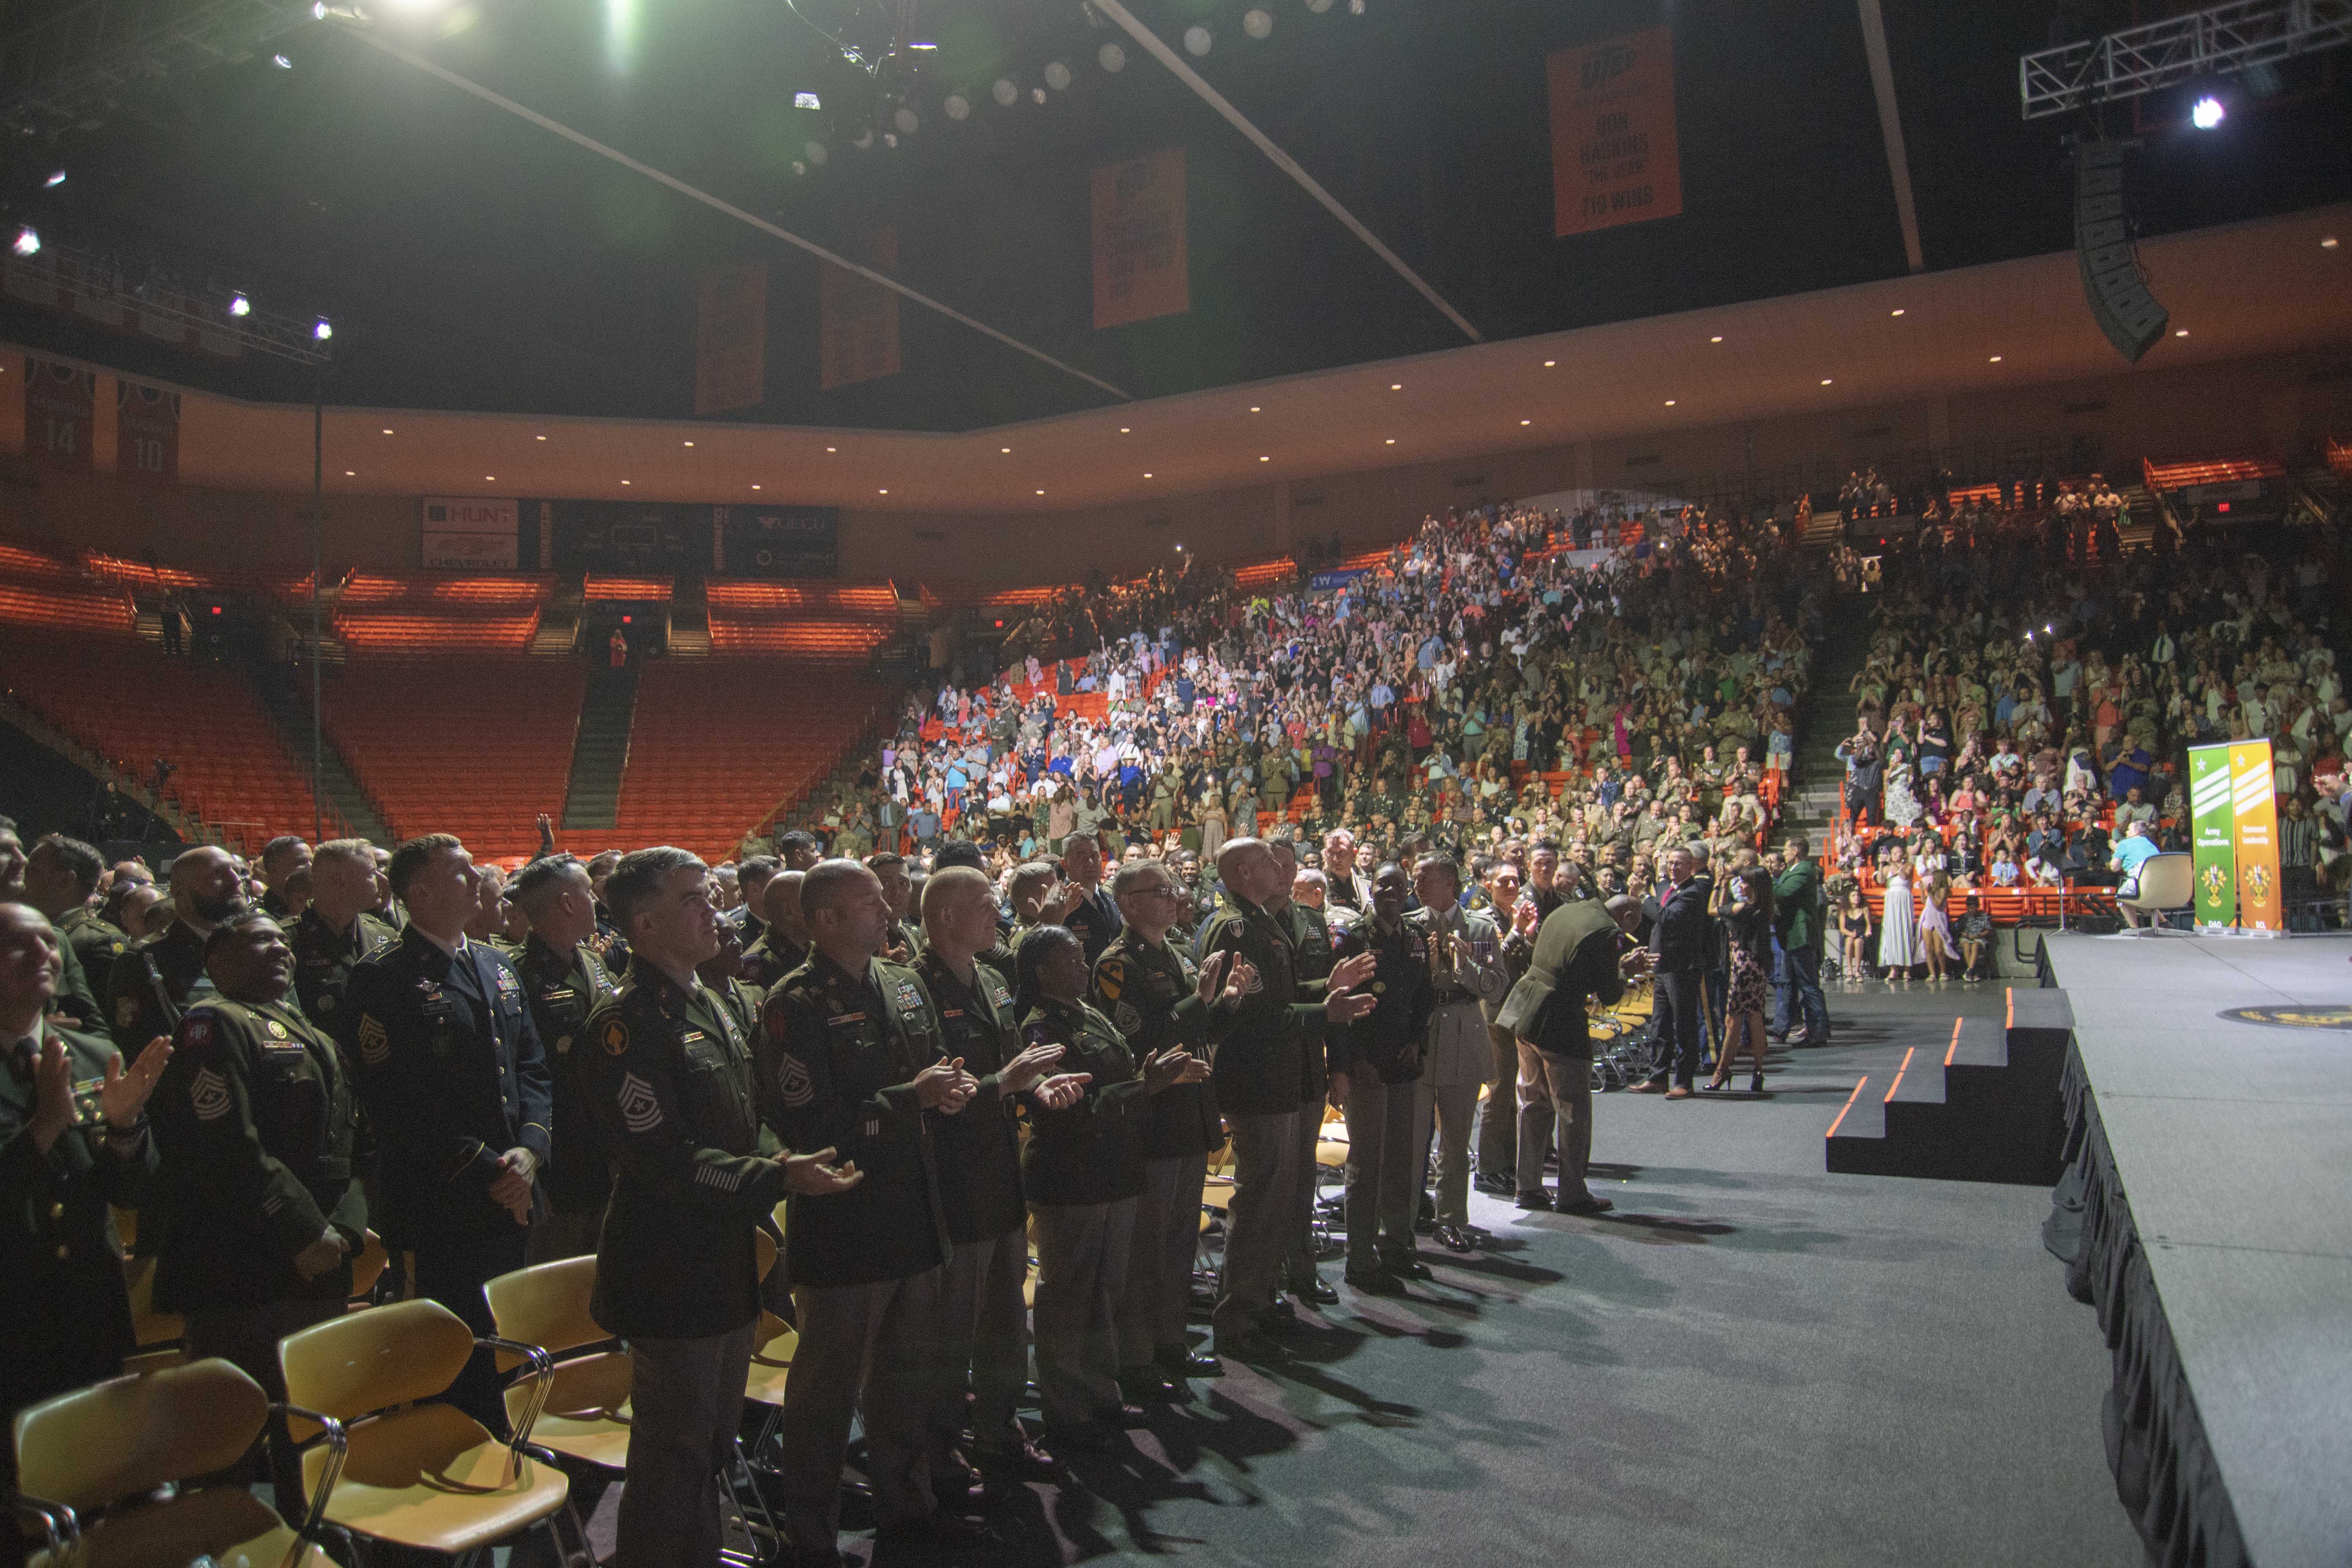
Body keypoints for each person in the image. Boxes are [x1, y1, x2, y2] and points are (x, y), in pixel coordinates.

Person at [583, 847, 861, 1568]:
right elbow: (661, 1158)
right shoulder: (625, 1023)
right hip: (668, 1262)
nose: (717, 912)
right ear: (645, 924)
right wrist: (775, 1176)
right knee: (673, 1452)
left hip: (726, 1252)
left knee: (708, 1444)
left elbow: (751, 1115)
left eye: (710, 895)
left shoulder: (713, 999)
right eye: (692, 900)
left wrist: (780, 1160)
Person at [757, 859, 982, 1557]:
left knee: (904, 1380)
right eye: (870, 902)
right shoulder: (795, 1002)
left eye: (886, 899)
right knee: (827, 1396)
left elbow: (937, 1064)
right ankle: (810, 1537)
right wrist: (911, 1098)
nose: (889, 910)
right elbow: (806, 1121)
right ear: (825, 920)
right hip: (845, 1215)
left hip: (912, 1204)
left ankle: (906, 1505)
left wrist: (950, 1090)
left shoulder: (902, 982)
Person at [150, 910, 365, 1512]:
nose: (279, 949)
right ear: (217, 962)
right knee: (229, 1435)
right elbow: (225, 1144)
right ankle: (220, 1540)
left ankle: (311, 1530)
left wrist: (343, 1229)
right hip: (243, 1265)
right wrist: (304, 1230)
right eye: (259, 940)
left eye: (282, 940)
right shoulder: (212, 1023)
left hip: (318, 1259)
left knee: (309, 1421)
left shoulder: (307, 1029)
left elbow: (347, 1143)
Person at [340, 833, 552, 1429]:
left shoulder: (496, 964)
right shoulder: (384, 976)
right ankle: (457, 1451)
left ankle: (507, 1447)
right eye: (462, 873)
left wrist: (531, 1150)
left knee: (508, 1338)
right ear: (420, 893)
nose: (480, 881)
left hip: (513, 1188)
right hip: (442, 1197)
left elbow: (532, 1067)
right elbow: (396, 1100)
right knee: (450, 1351)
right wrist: (495, 1167)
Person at [914, 866, 1080, 1485]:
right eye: (985, 905)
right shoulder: (914, 989)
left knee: (1006, 1316)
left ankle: (1000, 1426)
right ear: (947, 917)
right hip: (952, 1175)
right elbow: (935, 1089)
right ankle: (943, 1450)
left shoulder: (990, 979)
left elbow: (1010, 1065)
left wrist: (1036, 1086)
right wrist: (1003, 1085)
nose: (998, 915)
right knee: (952, 1327)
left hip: (999, 1170)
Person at [0, 901, 169, 1497]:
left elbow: (132, 1190)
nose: (44, 955)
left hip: (89, 1303)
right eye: (19, 944)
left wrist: (125, 1129)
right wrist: (44, 1126)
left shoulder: (95, 1055)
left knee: (104, 1483)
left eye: (50, 943)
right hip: (12, 1311)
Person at [1016, 924, 1208, 1445]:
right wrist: (1146, 1086)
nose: (1085, 966)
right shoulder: (1040, 1031)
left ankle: (1102, 1390)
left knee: (1106, 1290)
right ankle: (1065, 1406)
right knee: (1069, 1294)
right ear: (1043, 971)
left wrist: (1149, 1076)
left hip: (1114, 1168)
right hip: (1072, 1174)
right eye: (1073, 959)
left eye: (1084, 957)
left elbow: (1117, 1077)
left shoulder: (1089, 1013)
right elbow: (1073, 1111)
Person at [1195, 838, 1374, 1361]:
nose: (1282, 868)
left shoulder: (1261, 921)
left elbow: (1280, 996)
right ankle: (1238, 1319)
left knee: (1274, 1202)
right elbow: (1251, 1016)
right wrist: (1324, 1011)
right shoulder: (1235, 928)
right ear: (1245, 872)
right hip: (1257, 1081)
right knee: (1258, 1204)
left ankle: (1258, 1300)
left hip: (1280, 1078)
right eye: (1269, 862)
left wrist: (1323, 987)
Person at [1094, 860, 1244, 1393]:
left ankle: (1170, 1342)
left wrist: (1228, 1002)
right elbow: (1139, 1040)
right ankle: (1137, 1356)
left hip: (1190, 1112)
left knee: (1180, 1241)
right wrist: (1199, 1000)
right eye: (1159, 890)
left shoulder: (1176, 953)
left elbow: (1200, 1031)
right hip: (1155, 1117)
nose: (1172, 897)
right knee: (1149, 1246)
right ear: (1129, 903)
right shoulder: (1117, 963)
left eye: (1171, 888)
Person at [1500, 893, 1647, 1212]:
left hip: (1527, 1010)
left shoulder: (1568, 910)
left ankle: (1527, 1187)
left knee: (1533, 1103)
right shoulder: (1607, 931)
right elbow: (1610, 994)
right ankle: (1572, 1193)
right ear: (1628, 917)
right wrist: (1625, 970)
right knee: (1572, 1111)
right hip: (1560, 1021)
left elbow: (1569, 964)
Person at [508, 853, 622, 1262]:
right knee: (560, 1272)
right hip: (561, 1156)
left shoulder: (592, 962)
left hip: (606, 1144)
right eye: (589, 893)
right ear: (567, 903)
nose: (597, 901)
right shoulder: (517, 973)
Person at [1326, 864, 1435, 1290]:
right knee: (1367, 1163)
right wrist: (1350, 1062)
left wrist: (1418, 1042)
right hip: (1366, 1066)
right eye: (1383, 884)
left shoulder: (1416, 937)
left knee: (1403, 1158)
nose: (1391, 891)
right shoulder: (1353, 937)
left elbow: (1424, 996)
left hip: (1403, 1063)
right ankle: (1361, 1257)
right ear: (1371, 889)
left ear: (1408, 891)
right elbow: (1340, 1005)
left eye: (1399, 885)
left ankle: (1398, 1245)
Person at [1407, 853, 1508, 1253]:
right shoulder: (1410, 927)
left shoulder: (1480, 928)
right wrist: (1427, 967)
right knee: (1412, 1139)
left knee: (1455, 1140)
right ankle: (1403, 1220)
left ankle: (1450, 1219)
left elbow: (1496, 988)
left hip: (1464, 1034)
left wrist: (1465, 966)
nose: (1416, 885)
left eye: (1424, 878)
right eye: (1415, 878)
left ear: (1449, 883)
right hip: (1420, 1035)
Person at [106, 844, 244, 1052]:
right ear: (179, 891)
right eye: (217, 874)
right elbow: (137, 1047)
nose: (236, 880)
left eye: (237, 871)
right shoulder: (145, 961)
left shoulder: (256, 947)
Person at [289, 839, 398, 1026]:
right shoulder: (288, 941)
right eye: (372, 873)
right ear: (340, 882)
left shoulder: (385, 934)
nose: (383, 880)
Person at [1633, 847, 1712, 1098]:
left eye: (1680, 864)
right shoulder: (1669, 887)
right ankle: (1658, 1077)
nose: (1674, 868)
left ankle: (1684, 1082)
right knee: (1660, 1025)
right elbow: (1660, 892)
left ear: (1691, 867)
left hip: (1682, 967)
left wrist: (1644, 896)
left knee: (1684, 1026)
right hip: (1663, 966)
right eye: (1671, 863)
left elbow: (1666, 917)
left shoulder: (1693, 893)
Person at [1704, 868, 1773, 1095]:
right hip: (1757, 967)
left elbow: (1713, 910)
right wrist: (1725, 887)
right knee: (1756, 1019)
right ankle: (1758, 1072)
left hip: (1743, 968)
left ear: (1754, 887)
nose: (1741, 886)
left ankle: (1721, 1071)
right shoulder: (1763, 908)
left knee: (1732, 1021)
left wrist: (1718, 884)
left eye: (1744, 883)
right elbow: (1725, 913)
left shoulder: (1743, 908)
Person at [1770, 835, 1830, 1046]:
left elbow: (1783, 893)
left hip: (1800, 935)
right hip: (1790, 936)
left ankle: (1818, 1032)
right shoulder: (1791, 870)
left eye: (1786, 849)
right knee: (1787, 983)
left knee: (1808, 984)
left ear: (1796, 851)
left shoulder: (1804, 870)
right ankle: (1781, 1029)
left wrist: (1768, 879)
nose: (1784, 853)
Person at [2110, 820, 2164, 929]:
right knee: (2139, 899)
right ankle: (2164, 922)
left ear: (2136, 832)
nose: (2126, 832)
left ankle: (2134, 929)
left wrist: (2117, 851)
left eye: (2129, 830)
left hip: (2140, 882)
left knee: (2122, 897)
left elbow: (2114, 868)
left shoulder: (2124, 843)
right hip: (2158, 884)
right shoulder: (2151, 845)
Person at [1878, 857, 1920, 983]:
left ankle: (1907, 968)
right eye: (1894, 853)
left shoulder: (1908, 866)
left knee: (1905, 931)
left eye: (1898, 852)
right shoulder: (1887, 868)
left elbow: (1904, 877)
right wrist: (1881, 864)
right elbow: (1880, 880)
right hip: (1892, 901)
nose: (1896, 854)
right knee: (1892, 933)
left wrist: (1892, 862)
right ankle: (1894, 969)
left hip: (1904, 900)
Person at [1918, 872, 1959, 982]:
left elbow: (1938, 905)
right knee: (1929, 948)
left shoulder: (1943, 889)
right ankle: (1932, 974)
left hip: (1938, 918)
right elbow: (1924, 901)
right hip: (1928, 917)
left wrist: (1930, 893)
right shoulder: (1931, 888)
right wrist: (1923, 891)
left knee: (1939, 949)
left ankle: (1943, 972)